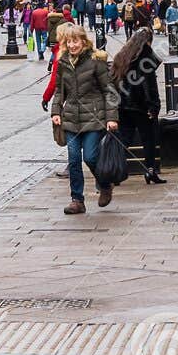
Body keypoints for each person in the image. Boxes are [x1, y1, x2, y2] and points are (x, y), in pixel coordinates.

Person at [49, 24, 120, 215]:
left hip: (94, 118)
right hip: (71, 118)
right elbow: (59, 90)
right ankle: (77, 200)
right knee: (73, 160)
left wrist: (111, 117)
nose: (72, 45)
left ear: (83, 41)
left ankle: (104, 185)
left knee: (90, 156)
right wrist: (56, 112)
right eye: (69, 42)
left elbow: (109, 91)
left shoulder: (96, 62)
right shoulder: (63, 62)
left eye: (75, 41)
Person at [112, 28, 164, 184]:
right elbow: (149, 84)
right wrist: (154, 106)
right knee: (148, 139)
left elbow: (113, 79)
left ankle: (114, 170)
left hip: (122, 104)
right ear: (148, 41)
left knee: (125, 139)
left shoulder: (122, 55)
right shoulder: (147, 56)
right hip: (141, 105)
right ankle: (150, 170)